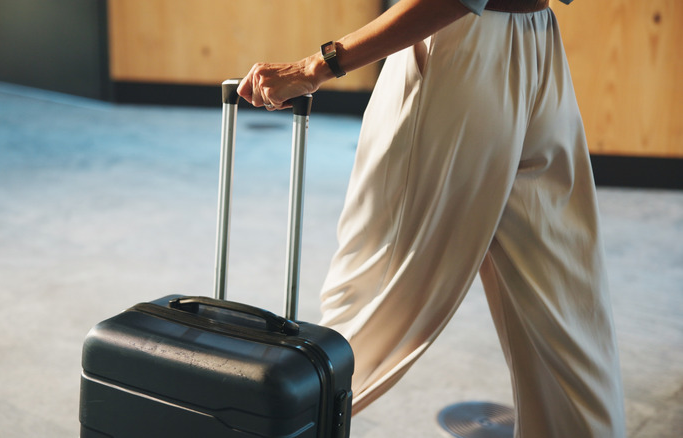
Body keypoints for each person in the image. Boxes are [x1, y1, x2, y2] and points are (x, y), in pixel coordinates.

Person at [238, 0, 626, 436]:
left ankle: (253, 424)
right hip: (536, 41)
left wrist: (318, 65)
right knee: (565, 310)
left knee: (372, 303)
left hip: (459, 51)